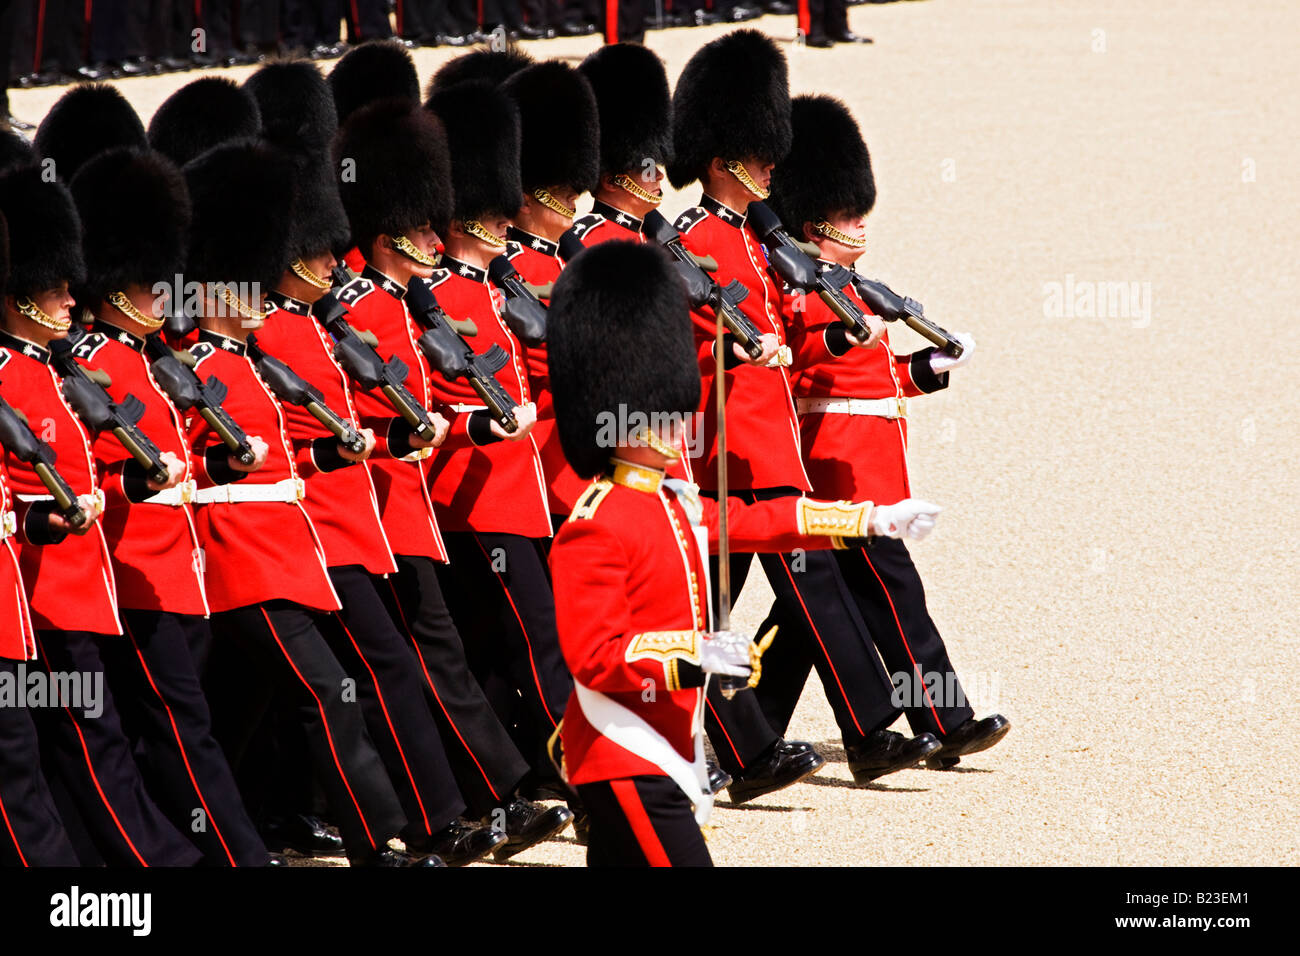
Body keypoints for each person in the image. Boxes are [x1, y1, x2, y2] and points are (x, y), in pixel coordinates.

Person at [547, 240, 942, 865]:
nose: (679, 429)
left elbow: (759, 522)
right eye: (662, 417)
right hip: (625, 754)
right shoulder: (594, 524)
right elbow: (598, 657)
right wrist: (693, 654)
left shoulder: (674, 502)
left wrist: (872, 518)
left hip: (668, 746)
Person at [668, 29, 944, 796]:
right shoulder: (692, 242)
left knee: (805, 591)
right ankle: (757, 745)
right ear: (725, 160)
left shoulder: (759, 244)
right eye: (760, 157)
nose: (770, 169)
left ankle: (853, 734)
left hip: (768, 451)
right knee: (703, 617)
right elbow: (682, 347)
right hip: (723, 453)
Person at [333, 92, 572, 855]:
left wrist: (476, 422)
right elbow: (364, 423)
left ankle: (492, 796)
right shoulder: (363, 308)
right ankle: (507, 794)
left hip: (413, 508)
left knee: (447, 659)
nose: (434, 237)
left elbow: (438, 406)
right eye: (419, 224)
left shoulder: (411, 305)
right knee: (426, 663)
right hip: (379, 511)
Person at [761, 93, 1010, 770]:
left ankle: (752, 733)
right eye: (846, 215)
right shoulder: (806, 292)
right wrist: (846, 337)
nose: (859, 223)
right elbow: (813, 368)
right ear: (815, 222)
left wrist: (930, 365)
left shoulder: (851, 285)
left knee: (808, 619)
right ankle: (946, 716)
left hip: (868, 467)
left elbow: (878, 384)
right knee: (895, 595)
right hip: (841, 474)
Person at [0, 163, 202, 866]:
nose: (67, 299)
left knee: (81, 742)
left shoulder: (59, 371)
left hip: (79, 587)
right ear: (17, 294)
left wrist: (133, 484)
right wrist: (40, 518)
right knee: (86, 739)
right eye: (54, 287)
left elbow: (92, 470)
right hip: (43, 595)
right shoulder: (9, 375)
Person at [424, 75, 573, 797]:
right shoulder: (448, 297)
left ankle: (513, 780)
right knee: (537, 645)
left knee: (492, 647)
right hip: (476, 502)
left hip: (514, 496)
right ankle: (584, 773)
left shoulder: (492, 287)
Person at [500, 59, 600, 523]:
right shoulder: (510, 269)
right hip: (546, 454)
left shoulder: (573, 258)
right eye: (559, 188)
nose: (573, 196)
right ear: (525, 195)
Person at [568, 43, 673, 248]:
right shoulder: (590, 242)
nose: (659, 175)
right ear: (611, 182)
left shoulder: (660, 234)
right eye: (646, 168)